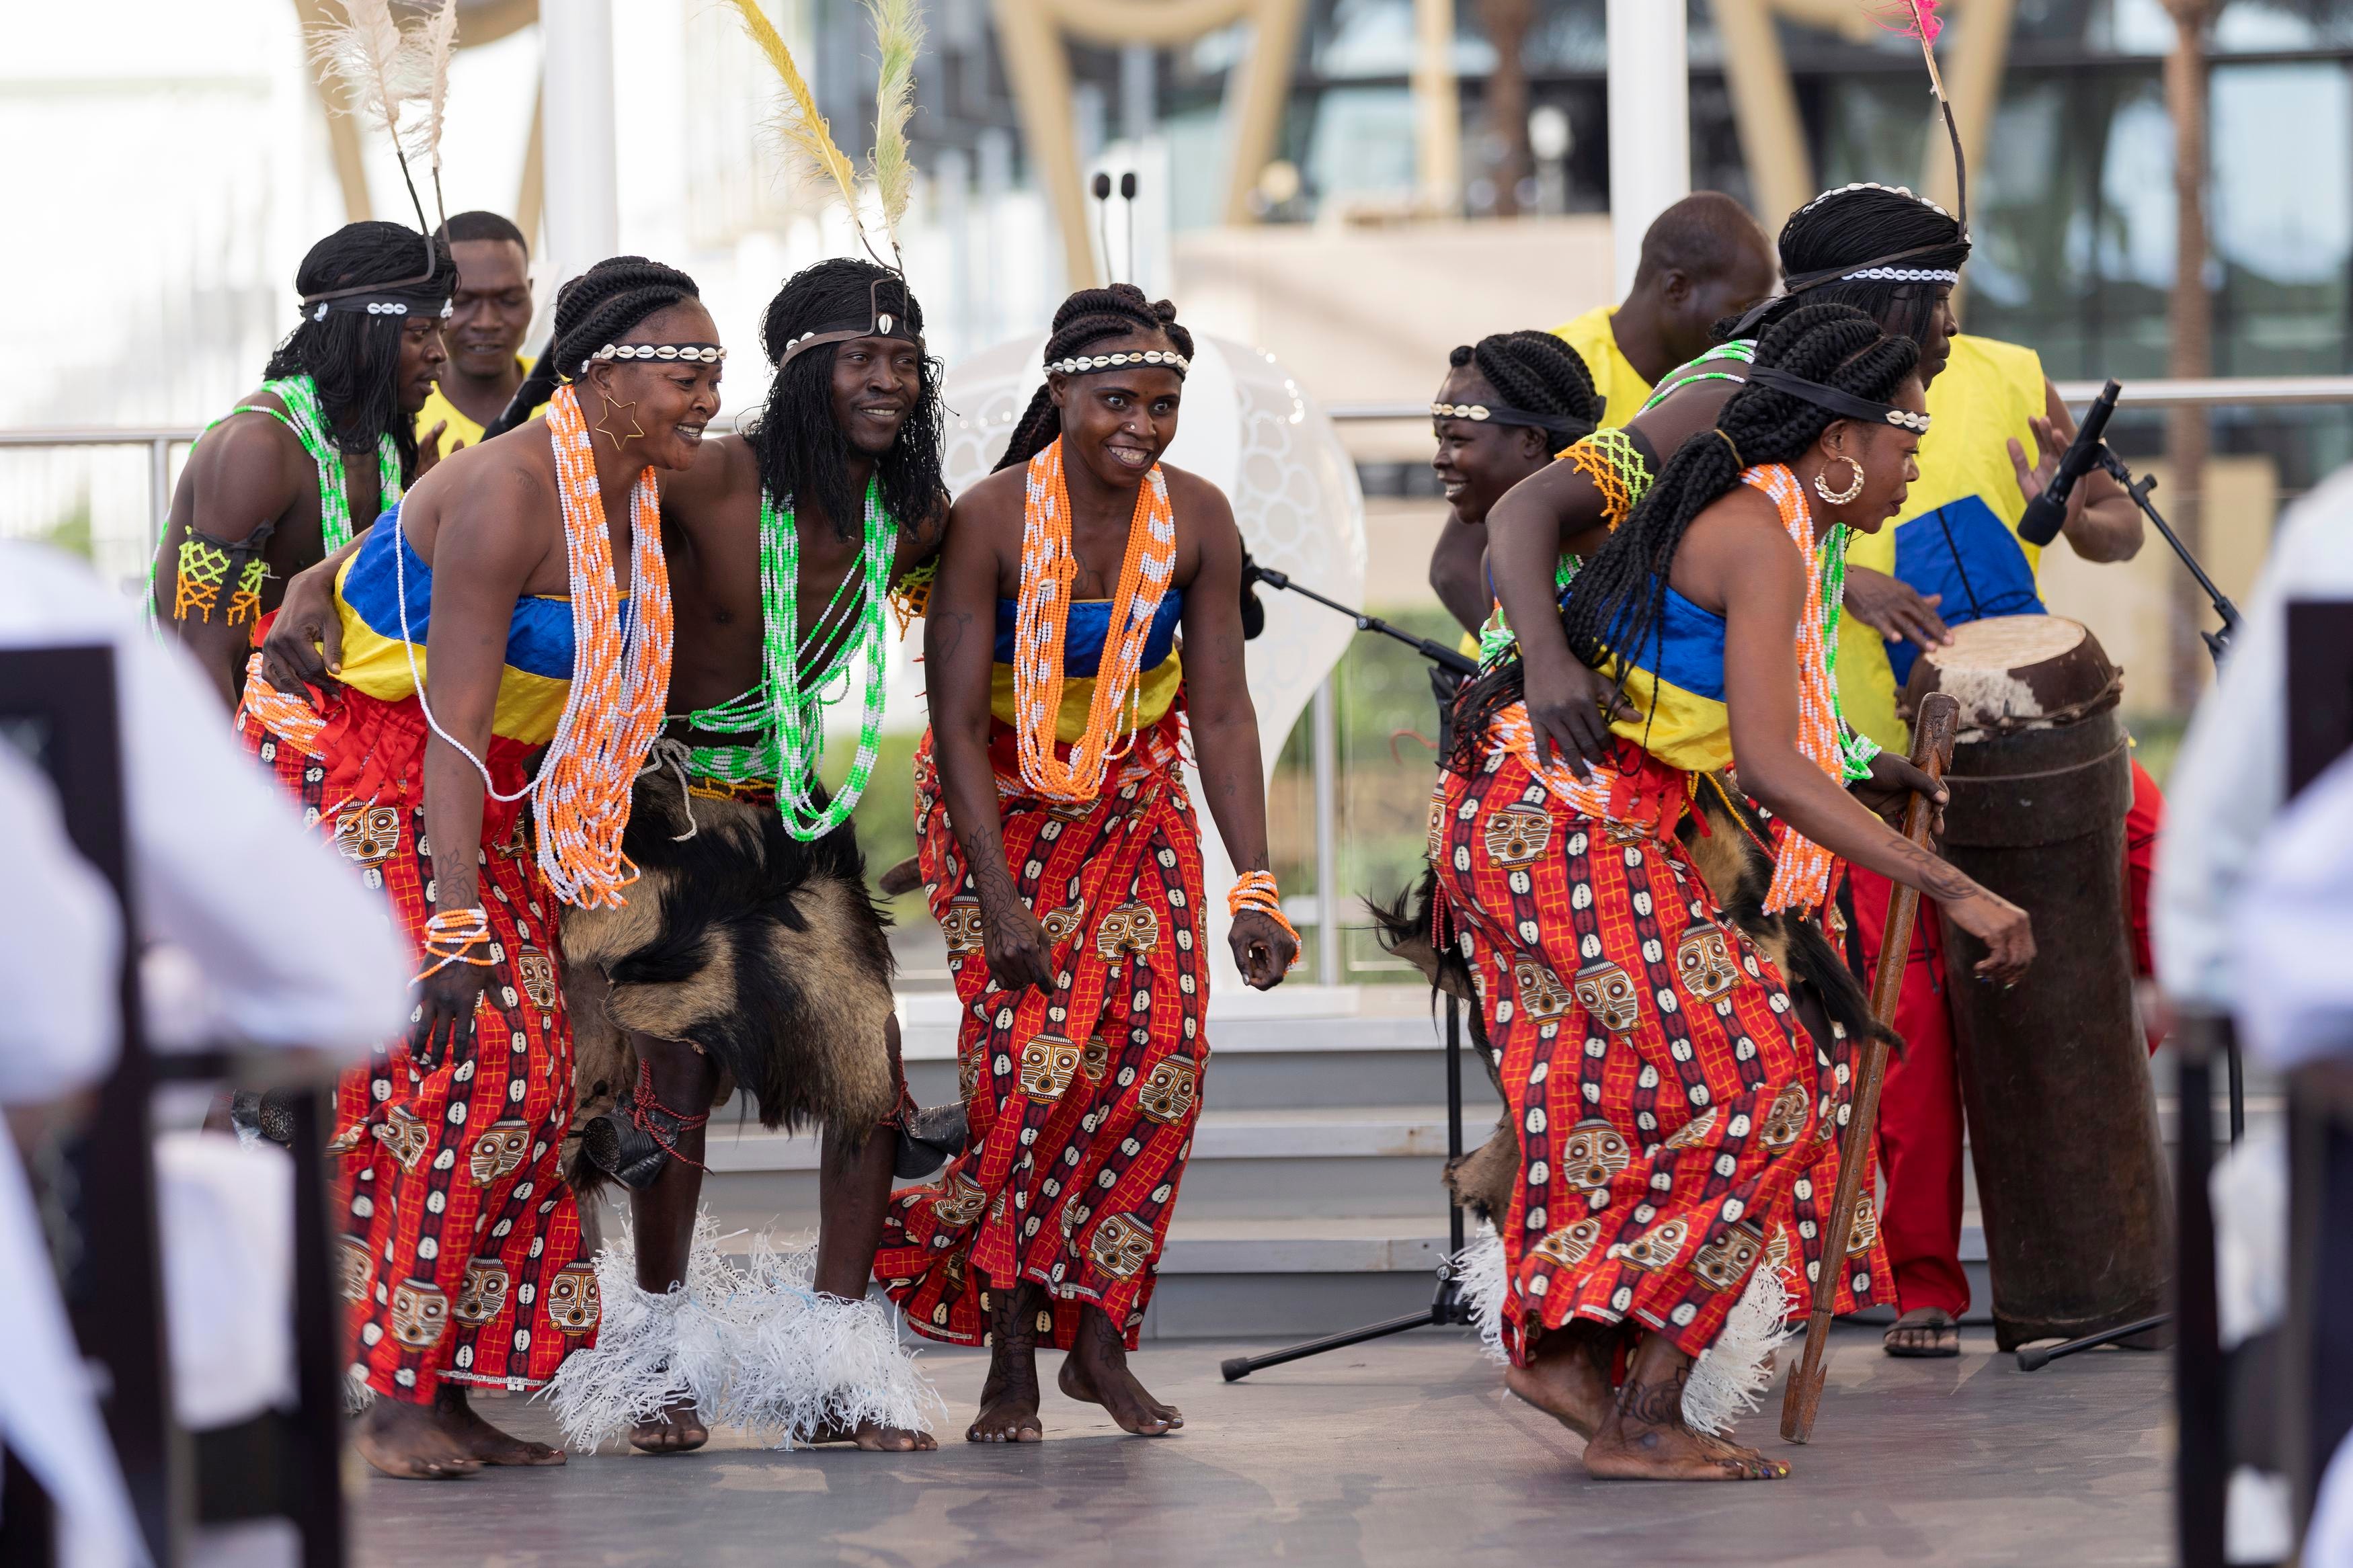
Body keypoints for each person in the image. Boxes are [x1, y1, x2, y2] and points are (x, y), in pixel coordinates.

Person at [1447, 304, 2033, 1481]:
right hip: (1560, 823)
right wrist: (1956, 887)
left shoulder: (1777, 524)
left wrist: (1868, 766)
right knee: (1775, 1080)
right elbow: (1767, 763)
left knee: (1636, 1088)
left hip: (1548, 822)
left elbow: (1755, 716)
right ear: (1837, 443)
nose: (1917, 453)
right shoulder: (1761, 533)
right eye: (1904, 429)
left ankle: (1571, 1352)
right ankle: (1643, 1409)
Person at [243, 255, 713, 1479]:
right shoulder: (515, 494)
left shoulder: (635, 484)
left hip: (484, 793)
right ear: (602, 375)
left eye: (714, 366)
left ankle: (445, 1383)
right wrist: (454, 929)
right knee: (470, 1061)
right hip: (369, 765)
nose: (706, 391)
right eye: (682, 366)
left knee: (545, 1073)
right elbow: (448, 725)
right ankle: (391, 1395)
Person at [537, 256, 948, 1456]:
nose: (887, 380)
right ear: (803, 367)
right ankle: (657, 1362)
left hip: (790, 816)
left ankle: (834, 1368)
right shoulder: (706, 475)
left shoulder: (911, 514)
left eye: (905, 359)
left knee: (870, 1084)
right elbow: (533, 489)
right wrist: (317, 582)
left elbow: (1004, 589)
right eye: (860, 358)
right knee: (669, 1096)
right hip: (656, 812)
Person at [875, 284, 1298, 1442]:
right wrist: (999, 900)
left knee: (1160, 1060)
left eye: (1164, 404)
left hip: (1137, 802)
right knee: (1026, 1070)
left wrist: (1252, 886)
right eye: (1119, 400)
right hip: (996, 813)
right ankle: (1011, 1350)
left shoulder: (1201, 516)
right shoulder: (991, 516)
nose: (1144, 425)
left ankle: (1099, 1340)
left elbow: (1222, 714)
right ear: (1059, 393)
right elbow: (954, 723)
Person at [152, 221, 452, 715]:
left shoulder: (383, 436)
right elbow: (202, 659)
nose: (440, 352)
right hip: (200, 727)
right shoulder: (260, 447)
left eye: (439, 330)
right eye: (420, 332)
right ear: (361, 331)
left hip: (306, 724)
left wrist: (421, 504)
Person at [1426, 332, 1605, 641]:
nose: (1439, 459)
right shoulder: (1495, 564)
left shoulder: (1614, 547)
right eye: (1439, 439)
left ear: (1532, 441)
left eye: (1457, 440)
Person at [1552, 192, 1779, 429]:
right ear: (1677, 289)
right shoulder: (1558, 374)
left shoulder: (1735, 382)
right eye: (1744, 308)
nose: (1756, 327)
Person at [414, 210, 546, 463]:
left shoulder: (579, 399)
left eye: (509, 300)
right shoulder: (397, 416)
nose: (487, 322)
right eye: (462, 302)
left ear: (529, 294)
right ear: (431, 302)